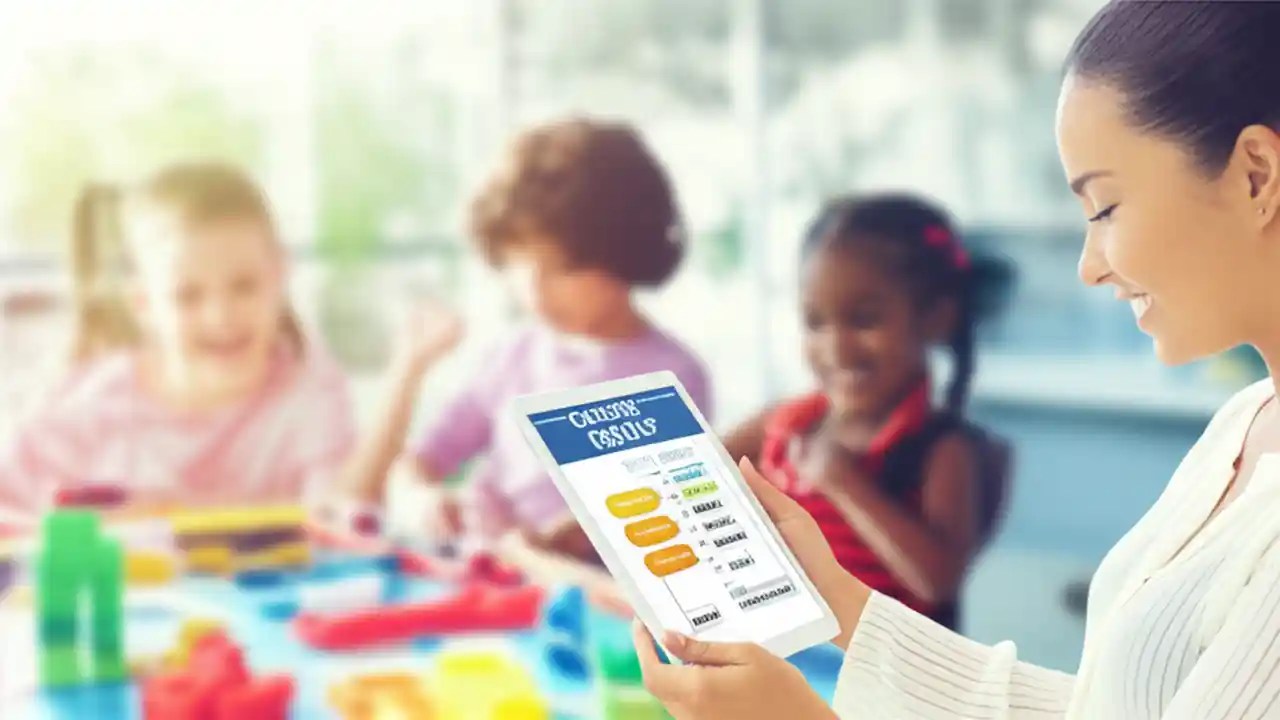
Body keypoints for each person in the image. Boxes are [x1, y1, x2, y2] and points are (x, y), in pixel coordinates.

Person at [634, 2, 1280, 718]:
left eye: (1105, 209)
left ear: (1255, 175)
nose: (1089, 266)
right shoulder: (1246, 422)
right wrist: (841, 600)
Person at [0, 163, 458, 528]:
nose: (221, 316)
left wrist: (407, 373)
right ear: (144, 304)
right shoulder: (94, 406)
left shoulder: (305, 392)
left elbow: (342, 514)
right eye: (187, 296)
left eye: (244, 286)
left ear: (279, 276)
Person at [348, 118, 711, 562]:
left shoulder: (672, 375)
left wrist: (534, 543)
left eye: (560, 269)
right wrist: (420, 499)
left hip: (593, 600)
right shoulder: (513, 355)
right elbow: (417, 462)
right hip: (489, 579)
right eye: (518, 263)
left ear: (626, 250)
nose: (534, 290)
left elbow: (660, 525)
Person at [723, 194, 1008, 629]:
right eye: (815, 323)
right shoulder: (788, 424)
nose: (836, 349)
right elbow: (696, 467)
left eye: (864, 321)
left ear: (935, 319)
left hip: (888, 680)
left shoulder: (942, 450)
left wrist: (843, 482)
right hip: (798, 662)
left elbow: (938, 581)